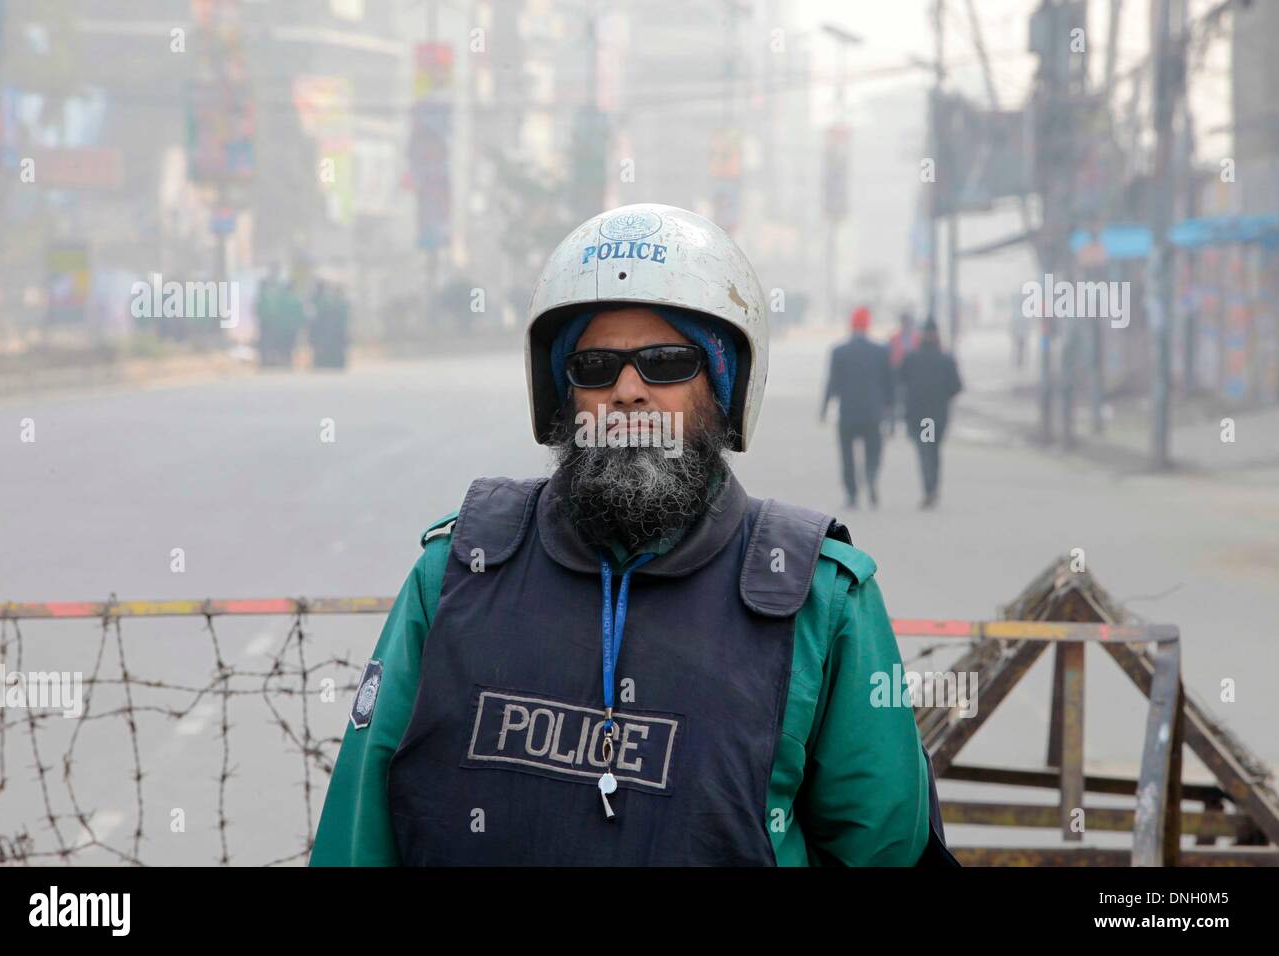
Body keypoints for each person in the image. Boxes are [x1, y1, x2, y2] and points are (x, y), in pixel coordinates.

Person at [309, 203, 957, 867]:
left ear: (722, 387)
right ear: (564, 396)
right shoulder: (459, 571)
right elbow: (359, 834)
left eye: (667, 363)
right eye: (594, 368)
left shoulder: (820, 599)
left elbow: (882, 847)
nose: (627, 392)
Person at [820, 306, 893, 510]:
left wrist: (824, 409)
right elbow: (889, 384)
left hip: (848, 414)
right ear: (867, 325)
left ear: (851, 325)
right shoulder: (880, 351)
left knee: (847, 455)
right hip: (872, 413)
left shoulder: (839, 351)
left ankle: (852, 494)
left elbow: (832, 383)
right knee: (874, 451)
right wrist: (892, 413)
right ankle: (870, 477)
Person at [898, 317, 963, 509]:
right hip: (937, 415)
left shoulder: (911, 358)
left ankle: (930, 489)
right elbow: (957, 386)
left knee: (925, 453)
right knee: (933, 451)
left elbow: (900, 381)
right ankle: (932, 488)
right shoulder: (945, 359)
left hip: (919, 415)